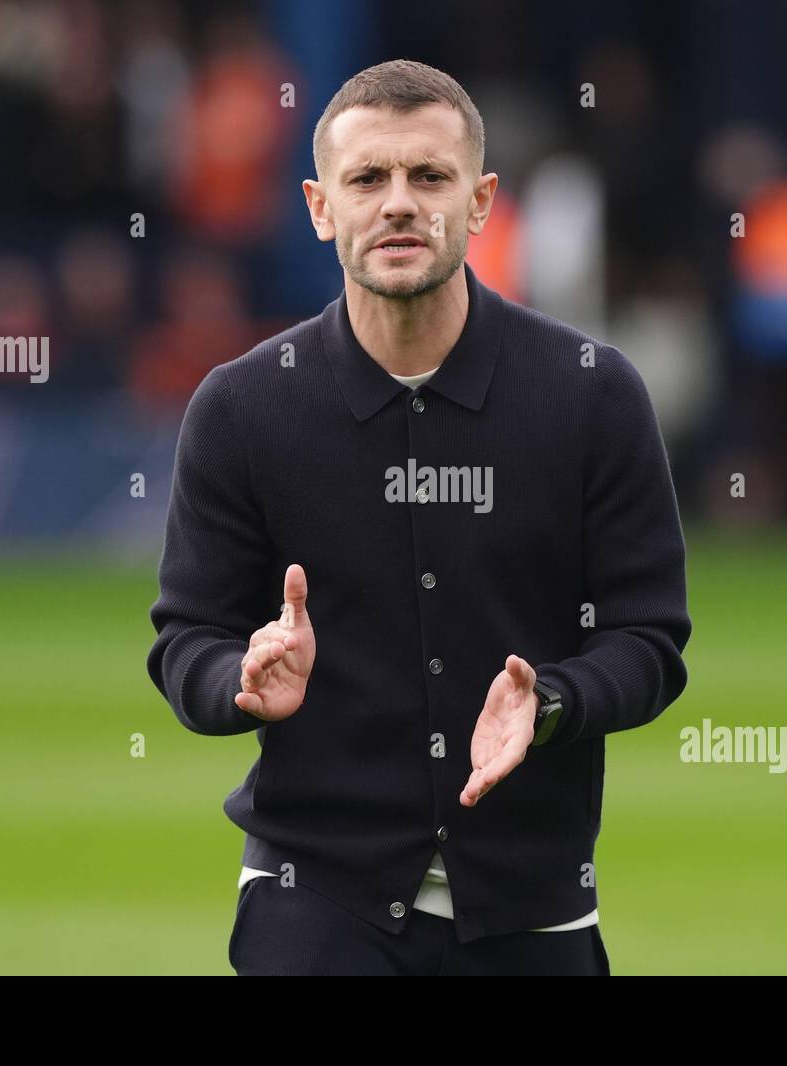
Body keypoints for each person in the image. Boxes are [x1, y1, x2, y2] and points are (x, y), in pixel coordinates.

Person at [147, 59, 691, 976]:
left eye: (429, 177)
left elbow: (650, 641)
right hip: (313, 900)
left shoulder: (593, 395)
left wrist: (551, 703)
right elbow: (183, 640)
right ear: (321, 207)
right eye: (368, 179)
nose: (398, 203)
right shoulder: (241, 409)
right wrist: (237, 679)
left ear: (480, 203)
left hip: (535, 905)